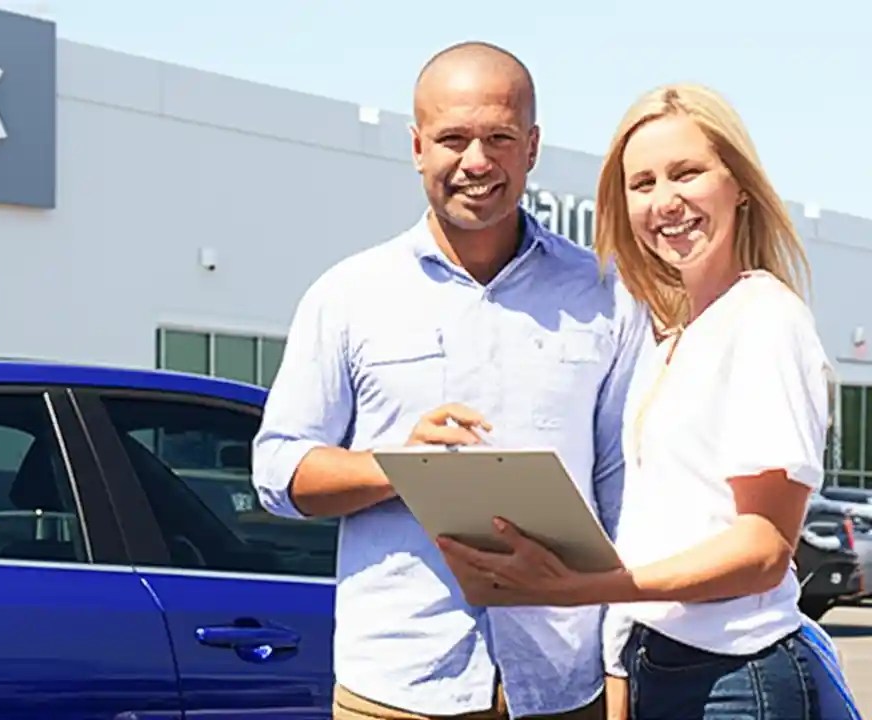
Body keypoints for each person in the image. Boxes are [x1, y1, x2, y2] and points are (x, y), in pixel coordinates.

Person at [251, 40, 648, 719]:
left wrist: (618, 669)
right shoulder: (348, 295)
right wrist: (400, 465)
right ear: (415, 146)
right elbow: (278, 474)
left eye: (498, 137)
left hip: (561, 684)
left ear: (532, 146)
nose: (476, 161)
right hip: (400, 687)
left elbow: (624, 497)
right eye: (452, 138)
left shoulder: (607, 296)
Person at [435, 83, 831, 719]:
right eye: (642, 183)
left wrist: (588, 587)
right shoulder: (672, 340)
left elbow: (761, 549)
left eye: (687, 173)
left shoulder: (764, 320)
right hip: (662, 667)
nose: (665, 202)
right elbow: (656, 529)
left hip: (735, 679)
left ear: (740, 186)